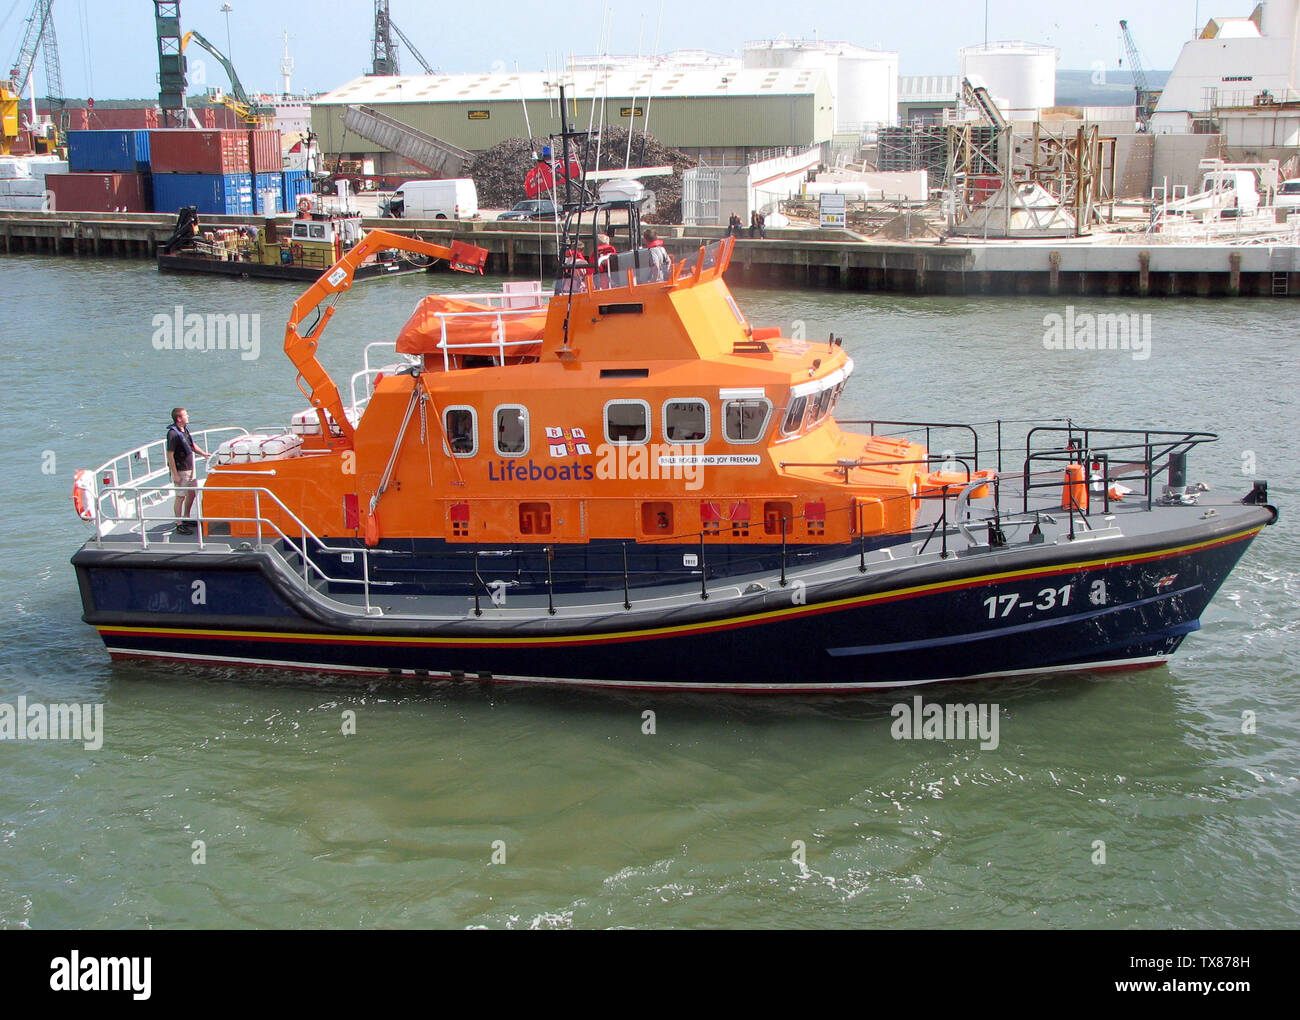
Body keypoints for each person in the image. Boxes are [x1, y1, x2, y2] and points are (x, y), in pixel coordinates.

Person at [166, 407, 208, 535]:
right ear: (179, 418)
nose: (188, 416)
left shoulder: (184, 430)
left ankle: (186, 516)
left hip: (190, 468)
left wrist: (204, 453)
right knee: (180, 496)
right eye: (185, 415)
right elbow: (170, 455)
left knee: (192, 493)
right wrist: (175, 474)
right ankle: (179, 523)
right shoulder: (173, 434)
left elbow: (191, 444)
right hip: (181, 470)